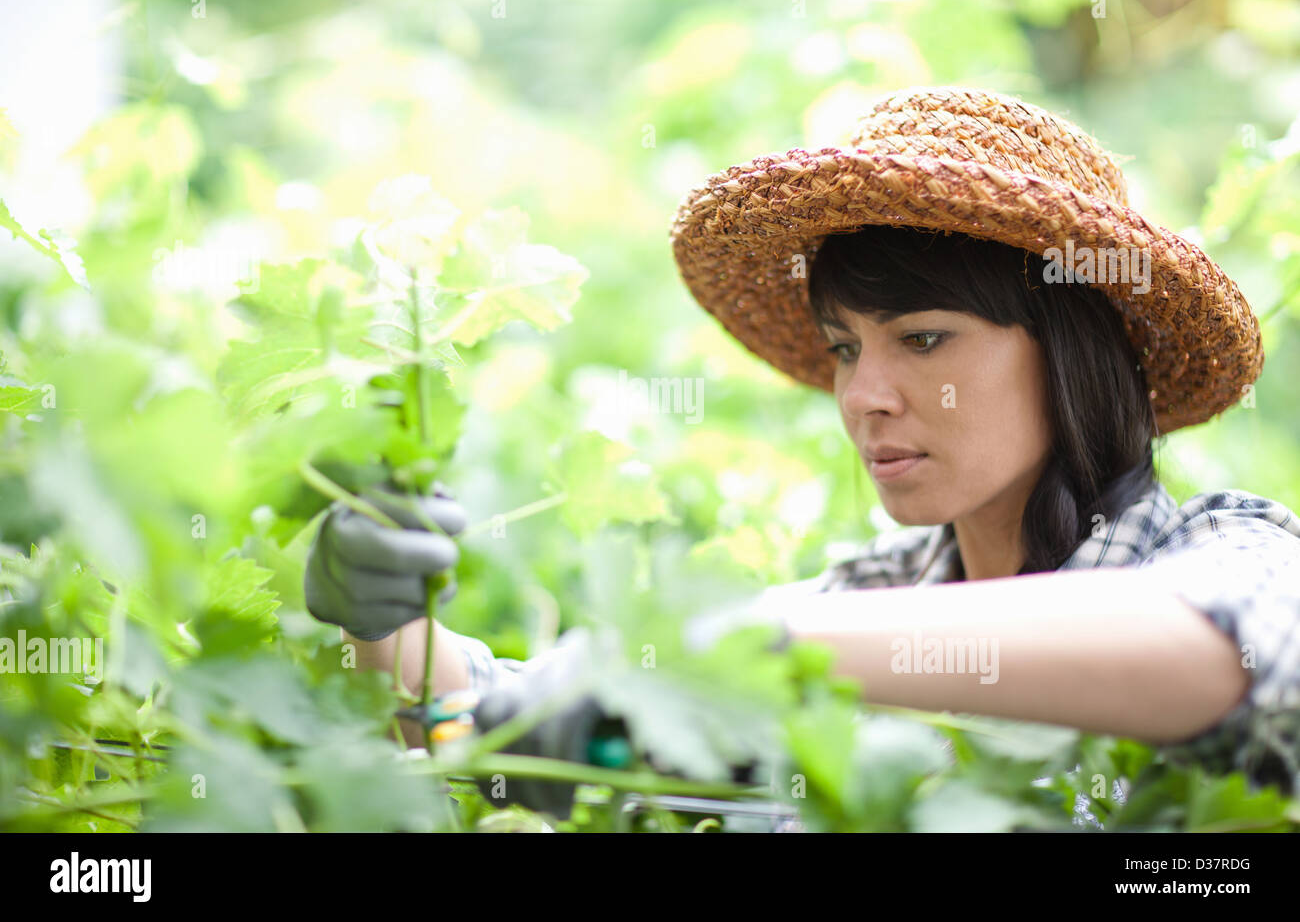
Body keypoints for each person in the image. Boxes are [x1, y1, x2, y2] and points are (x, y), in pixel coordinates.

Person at [304, 85, 1300, 815]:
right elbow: (508, 737)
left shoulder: (1224, 551)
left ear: (1070, 355)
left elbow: (1225, 654)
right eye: (842, 347)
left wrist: (762, 644)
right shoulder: (868, 593)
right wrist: (388, 629)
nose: (862, 395)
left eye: (921, 338)